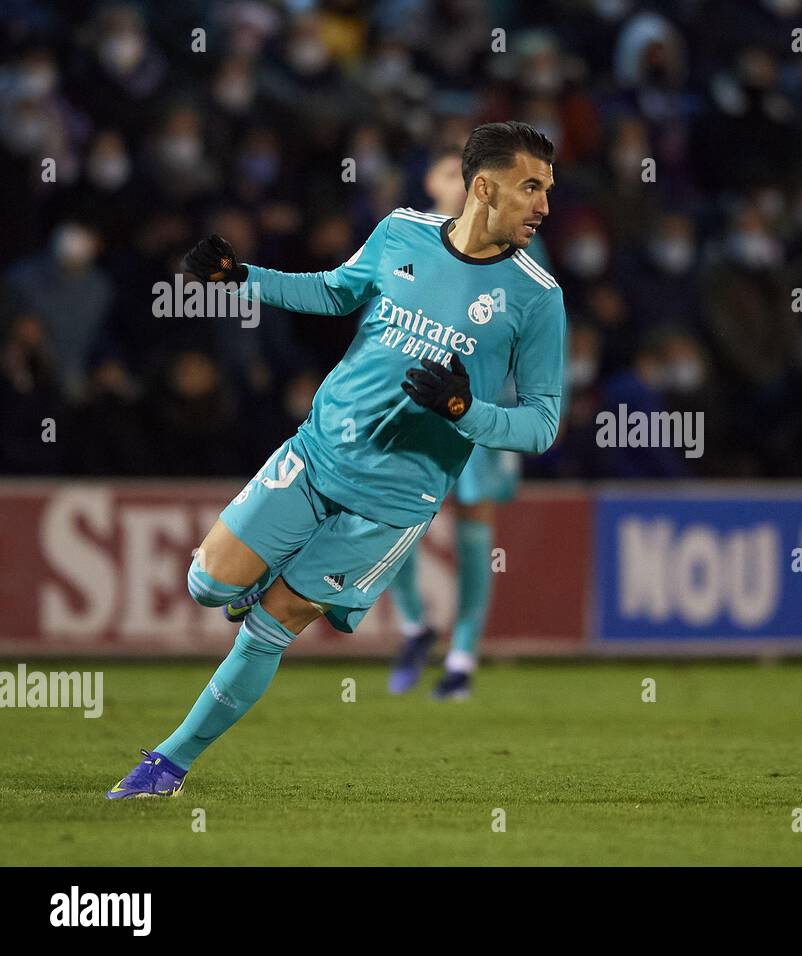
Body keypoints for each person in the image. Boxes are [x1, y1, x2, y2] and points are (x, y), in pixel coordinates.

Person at [106, 122, 566, 798]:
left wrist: (469, 412)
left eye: (548, 190)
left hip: (392, 500)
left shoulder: (537, 295)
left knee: (273, 626)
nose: (545, 206)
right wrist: (241, 279)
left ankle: (166, 766)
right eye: (532, 187)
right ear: (484, 187)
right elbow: (333, 291)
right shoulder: (402, 232)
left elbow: (544, 422)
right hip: (318, 452)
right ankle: (248, 604)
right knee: (207, 585)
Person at [386, 145, 552, 700]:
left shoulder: (525, 249)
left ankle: (461, 656)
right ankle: (414, 625)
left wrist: (527, 411)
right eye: (444, 169)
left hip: (483, 413)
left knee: (474, 532)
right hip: (417, 409)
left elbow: (542, 340)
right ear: (435, 182)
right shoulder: (412, 240)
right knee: (391, 516)